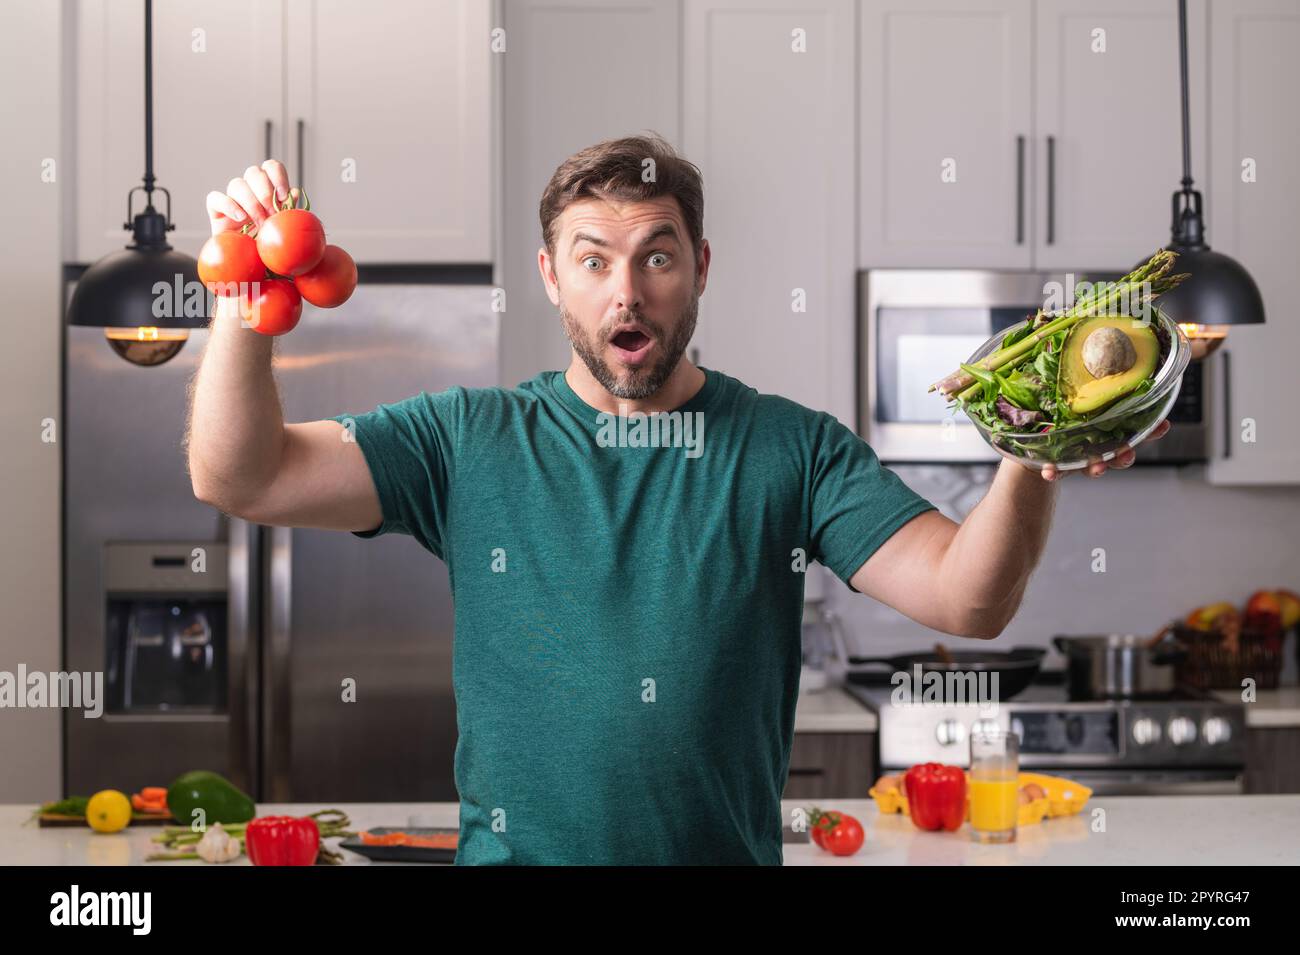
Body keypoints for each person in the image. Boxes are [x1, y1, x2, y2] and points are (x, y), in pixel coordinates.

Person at [186, 133, 1169, 865]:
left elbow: (969, 599)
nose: (626, 292)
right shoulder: (465, 440)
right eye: (592, 259)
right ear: (551, 279)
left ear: (698, 267)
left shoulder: (792, 448)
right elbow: (243, 474)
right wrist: (243, 299)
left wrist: (1036, 450)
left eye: (656, 256)